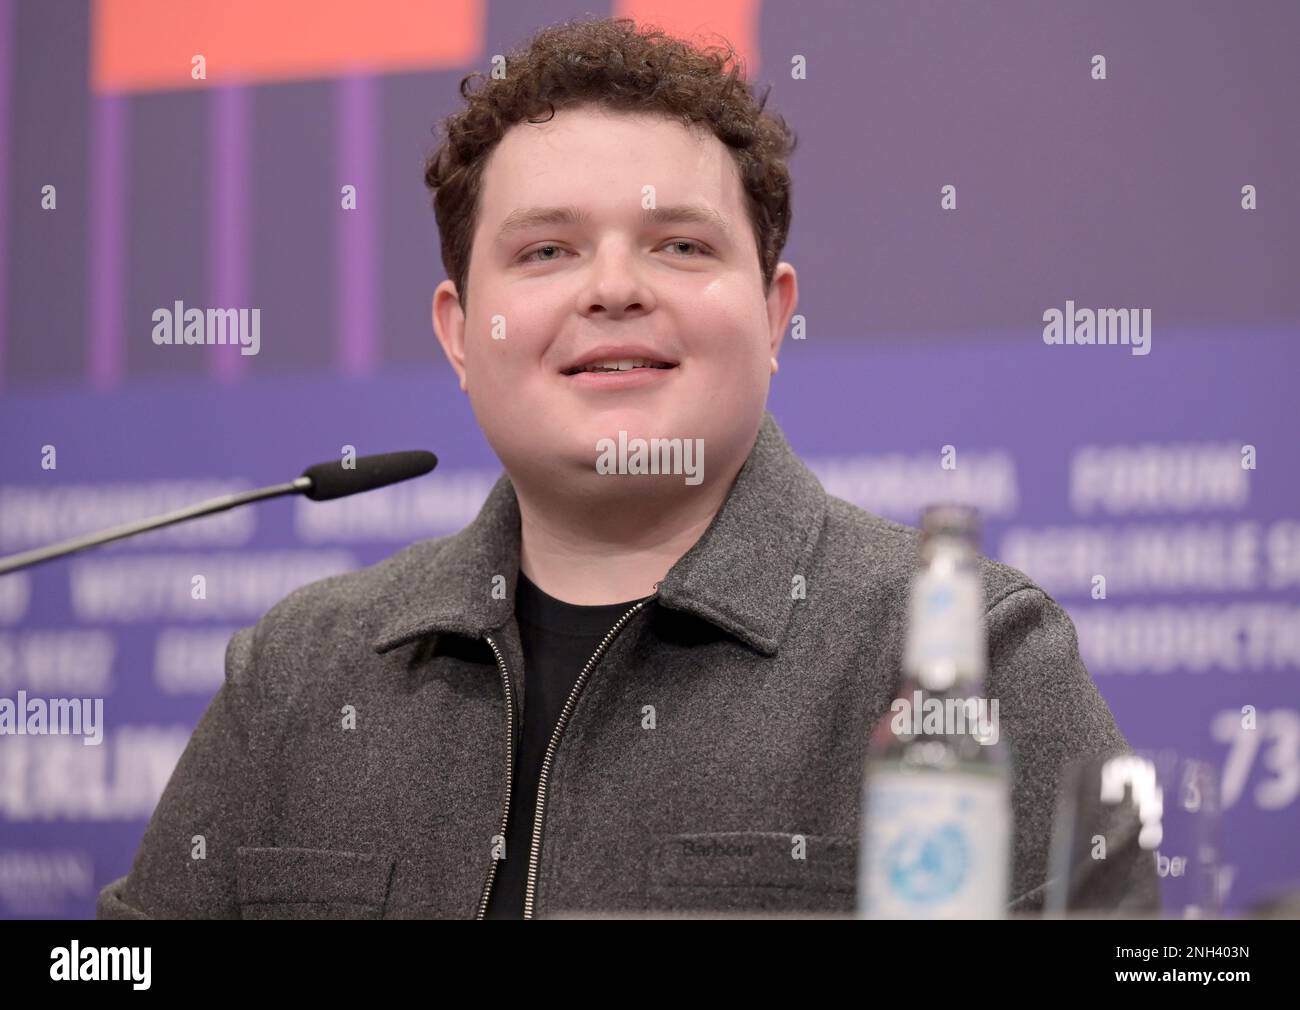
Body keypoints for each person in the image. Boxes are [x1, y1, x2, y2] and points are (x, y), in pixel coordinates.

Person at [97, 16, 1156, 920]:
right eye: (546, 250)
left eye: (680, 246)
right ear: (460, 331)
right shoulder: (299, 670)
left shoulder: (969, 654)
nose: (613, 288)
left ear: (774, 312)